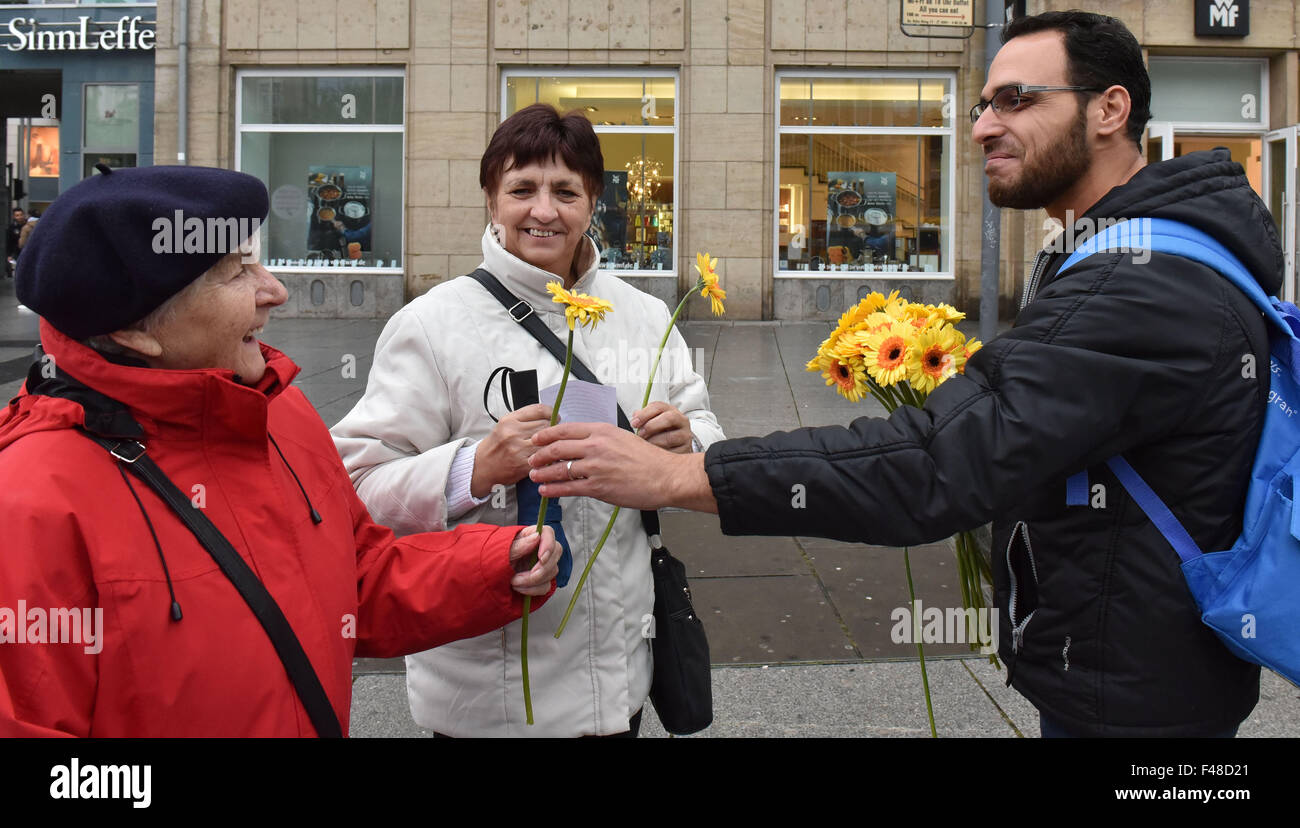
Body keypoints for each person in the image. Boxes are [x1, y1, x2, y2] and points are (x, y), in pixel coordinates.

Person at [528, 11, 1279, 737]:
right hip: (1135, 670)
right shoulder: (1132, 254)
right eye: (984, 103)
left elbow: (933, 463)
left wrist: (680, 478)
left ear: (1110, 109)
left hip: (1137, 703)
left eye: (1016, 100)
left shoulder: (1142, 284)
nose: (983, 125)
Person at [0, 165, 560, 737]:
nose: (275, 290)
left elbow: (355, 582)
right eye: (236, 272)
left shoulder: (276, 412)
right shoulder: (31, 501)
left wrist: (492, 567)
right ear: (134, 330)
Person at [331, 103, 724, 737]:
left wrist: (686, 441)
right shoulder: (433, 325)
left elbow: (708, 434)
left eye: (566, 191)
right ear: (491, 200)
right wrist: (476, 465)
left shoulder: (646, 317)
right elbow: (356, 487)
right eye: (522, 189)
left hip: (617, 685)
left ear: (592, 200)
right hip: (489, 694)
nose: (544, 210)